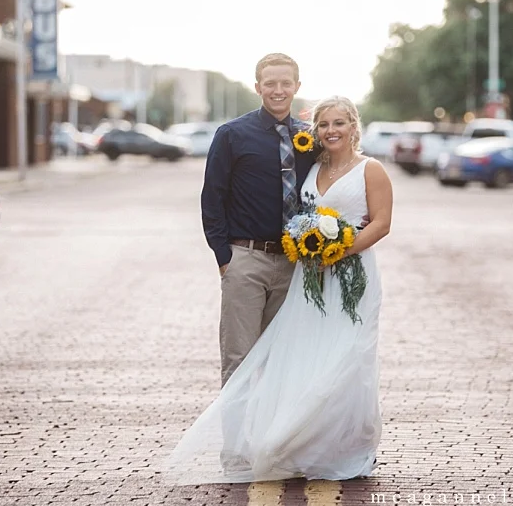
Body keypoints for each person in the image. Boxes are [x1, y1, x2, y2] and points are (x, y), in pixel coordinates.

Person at [166, 95, 393, 484]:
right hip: (308, 278)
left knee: (348, 357)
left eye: (340, 123)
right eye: (324, 124)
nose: (331, 131)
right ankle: (300, 444)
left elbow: (381, 224)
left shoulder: (371, 170)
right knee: (307, 356)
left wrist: (338, 251)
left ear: (355, 126)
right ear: (315, 131)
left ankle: (350, 446)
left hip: (351, 275)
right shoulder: (312, 164)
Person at [200, 53, 318, 388]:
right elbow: (212, 198)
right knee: (240, 361)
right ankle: (237, 440)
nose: (278, 90)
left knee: (283, 359)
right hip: (246, 260)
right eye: (270, 84)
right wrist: (225, 258)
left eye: (285, 83)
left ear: (296, 87)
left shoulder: (310, 139)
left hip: (295, 265)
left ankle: (271, 439)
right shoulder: (232, 135)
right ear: (258, 87)